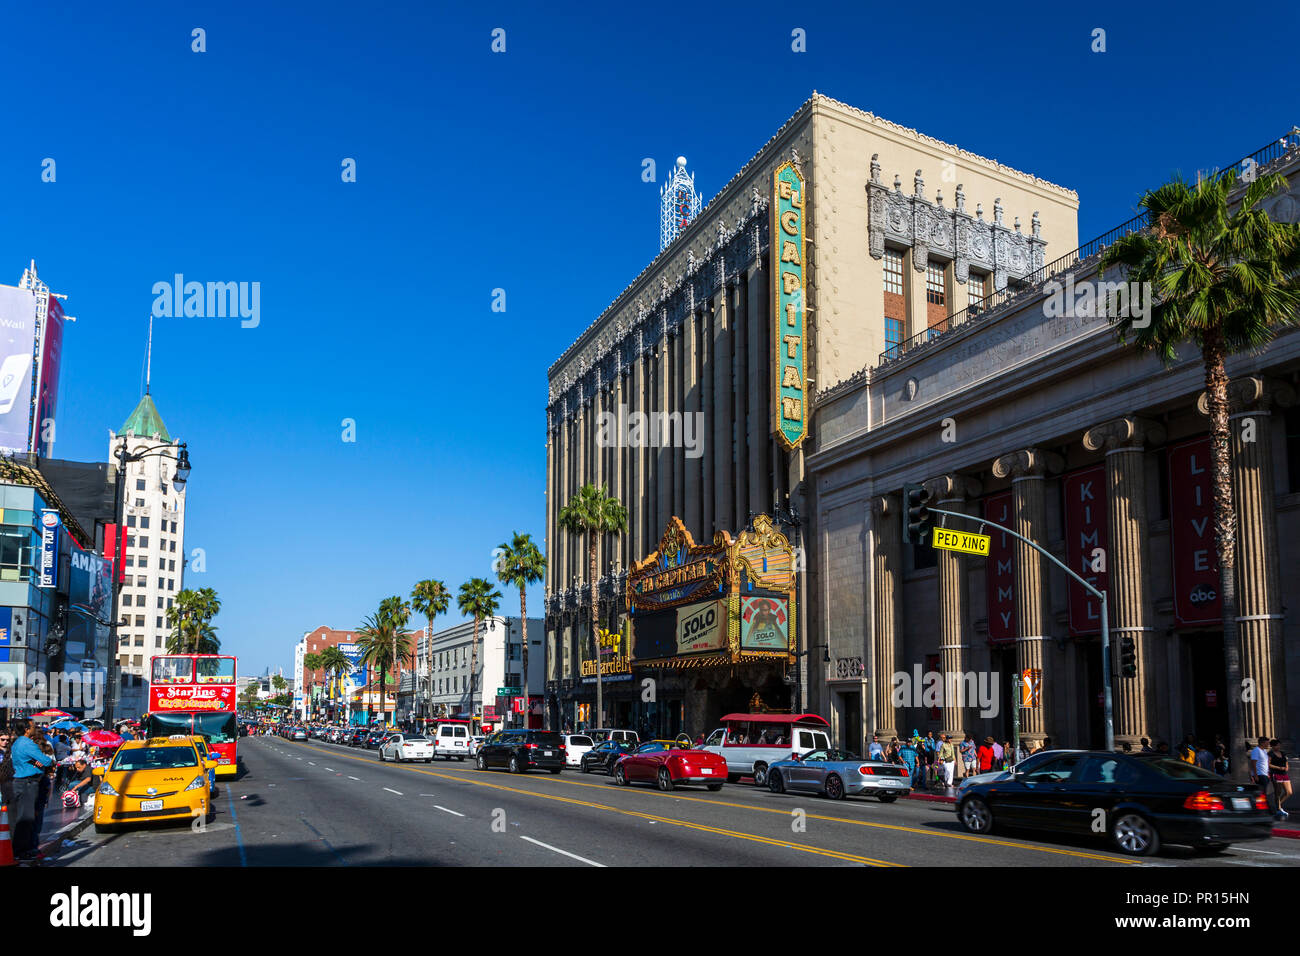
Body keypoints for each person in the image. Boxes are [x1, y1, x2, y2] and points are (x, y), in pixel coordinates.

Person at [10, 724, 54, 862]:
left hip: (21, 781)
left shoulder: (17, 743)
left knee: (23, 817)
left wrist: (35, 762)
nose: (34, 728)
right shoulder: (28, 744)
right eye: (32, 726)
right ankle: (22, 850)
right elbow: (46, 761)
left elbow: (31, 760)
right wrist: (41, 762)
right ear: (26, 730)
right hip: (28, 783)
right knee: (27, 818)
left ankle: (22, 848)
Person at [1249, 736, 1273, 813]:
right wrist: (1255, 775)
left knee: (1263, 793)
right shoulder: (1256, 750)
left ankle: (1261, 809)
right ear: (1262, 743)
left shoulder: (1264, 751)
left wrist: (1268, 773)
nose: (1268, 744)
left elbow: (1265, 763)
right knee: (1262, 794)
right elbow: (1253, 763)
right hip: (1259, 775)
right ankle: (1262, 810)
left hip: (1265, 775)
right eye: (1267, 743)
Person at [1268, 740, 1290, 822]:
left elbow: (1286, 761)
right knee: (1278, 792)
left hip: (1284, 774)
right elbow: (1268, 764)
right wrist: (1278, 768)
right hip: (1276, 774)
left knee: (1289, 792)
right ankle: (1278, 809)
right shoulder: (1271, 754)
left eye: (1279, 745)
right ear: (1273, 746)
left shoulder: (1283, 753)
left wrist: (1287, 767)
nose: (1278, 747)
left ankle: (1277, 806)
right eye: (1277, 745)